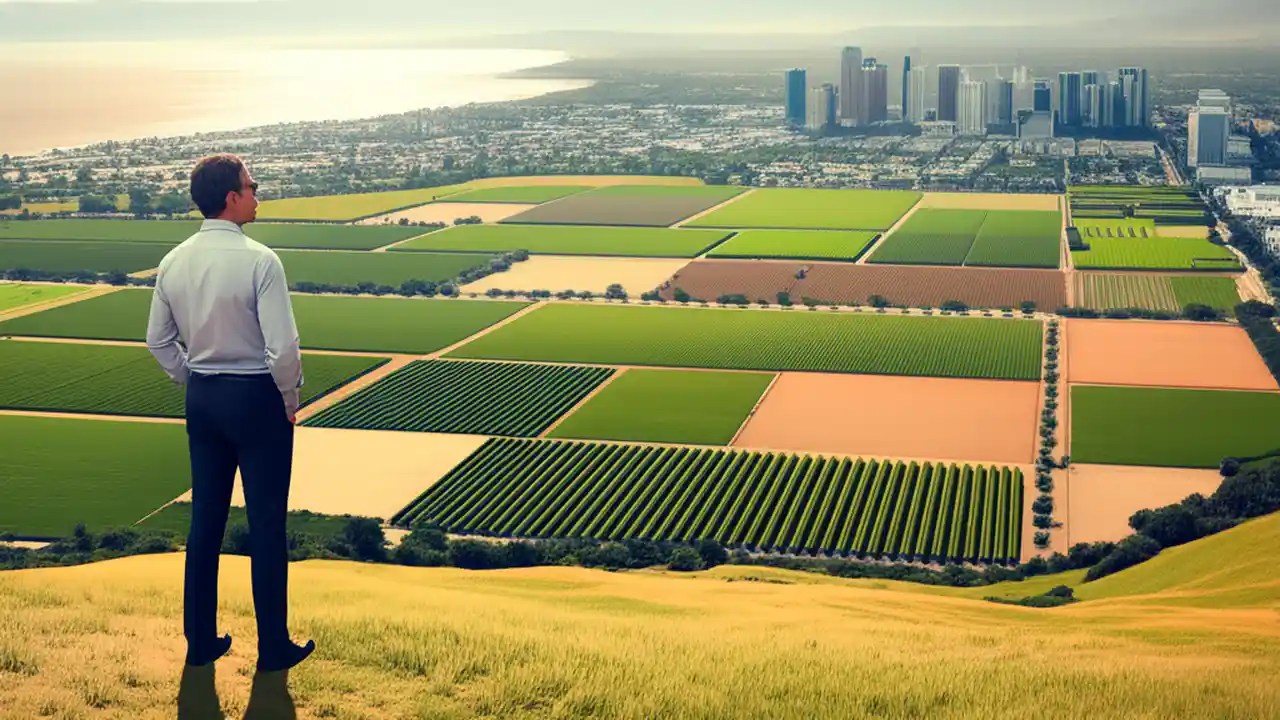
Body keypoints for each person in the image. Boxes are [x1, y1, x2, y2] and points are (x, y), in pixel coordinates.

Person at [147, 153, 315, 672]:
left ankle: (200, 642)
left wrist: (192, 375)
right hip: (256, 399)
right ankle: (273, 648)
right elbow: (282, 349)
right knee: (266, 524)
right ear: (231, 197)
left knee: (205, 522)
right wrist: (287, 399)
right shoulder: (261, 261)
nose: (257, 192)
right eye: (252, 185)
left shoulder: (174, 261)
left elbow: (157, 341)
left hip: (203, 399)